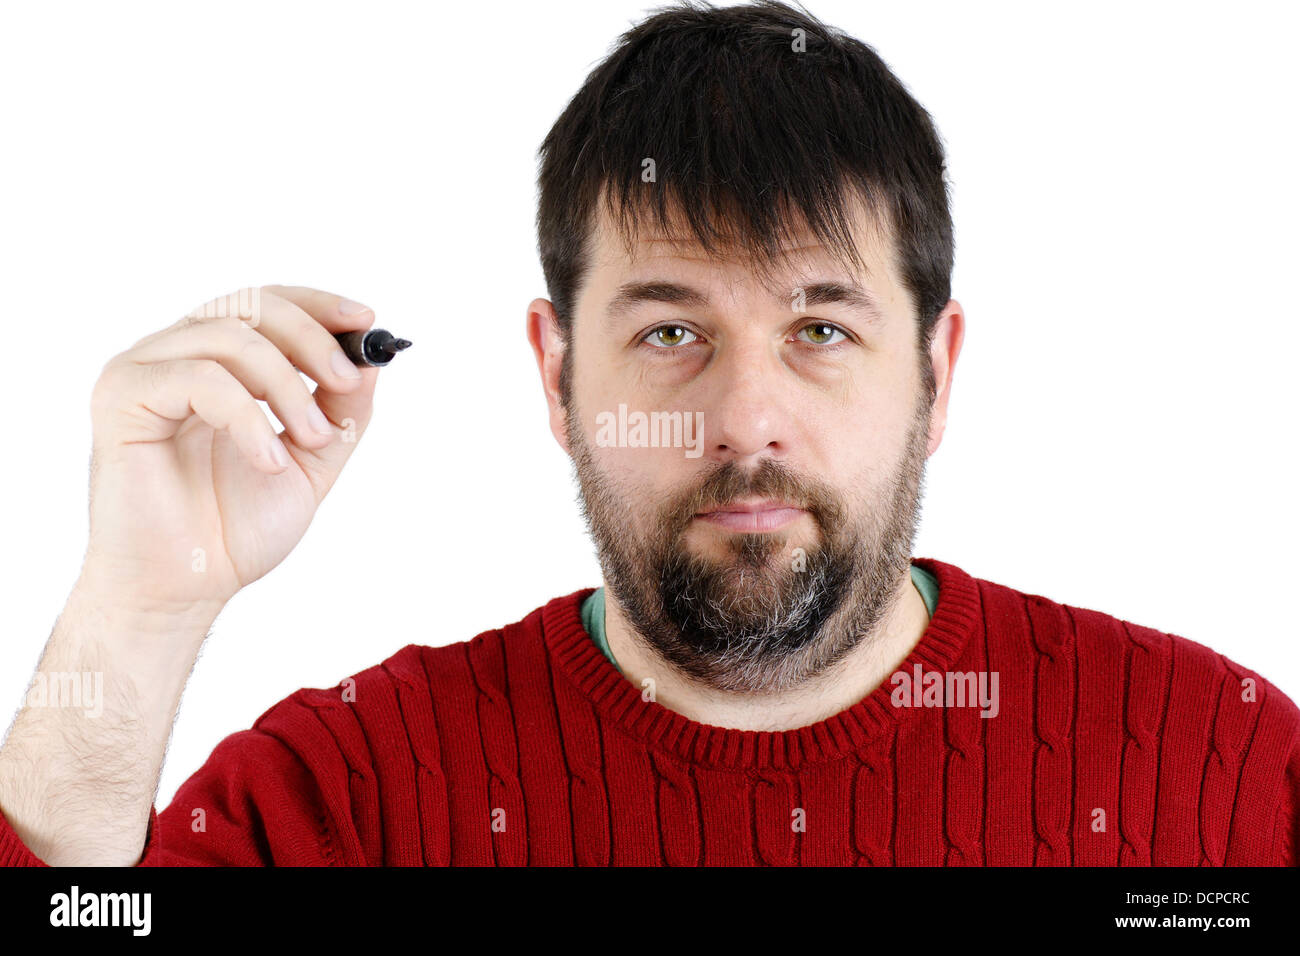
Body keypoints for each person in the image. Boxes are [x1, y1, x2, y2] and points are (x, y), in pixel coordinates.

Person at [1, 0, 1296, 867]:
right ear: (556, 378)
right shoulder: (347, 803)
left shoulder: (1229, 776)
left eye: (822, 331)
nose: (748, 423)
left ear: (937, 376)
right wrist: (137, 608)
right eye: (671, 334)